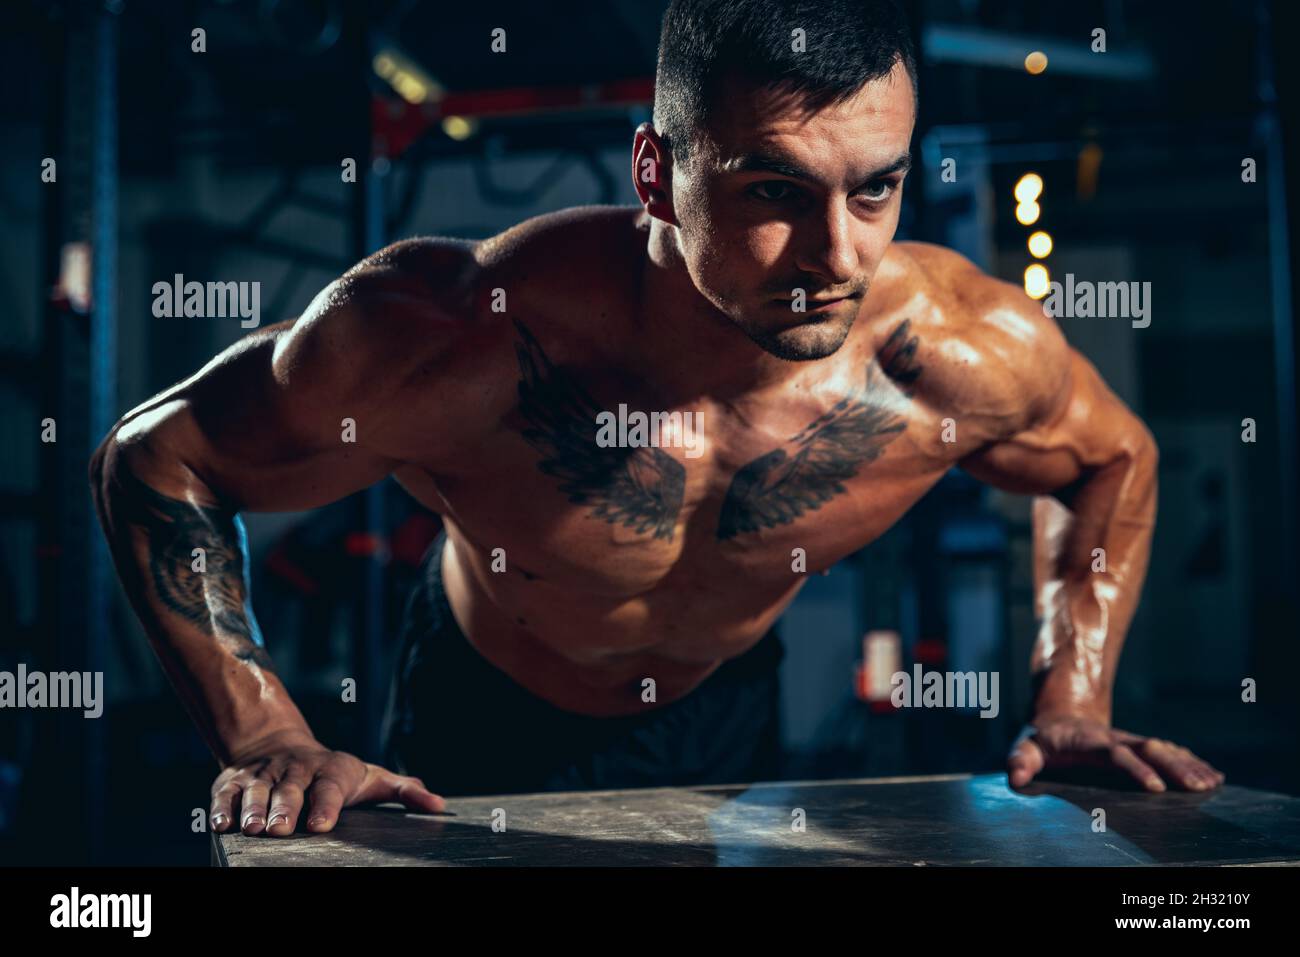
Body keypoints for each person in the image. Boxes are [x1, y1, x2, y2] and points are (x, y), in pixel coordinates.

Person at [90, 0, 1223, 839]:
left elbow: (1113, 458)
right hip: (484, 706)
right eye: (775, 191)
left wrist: (1073, 697)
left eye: (874, 188)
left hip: (729, 699)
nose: (839, 255)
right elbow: (162, 456)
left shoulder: (957, 354)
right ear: (654, 172)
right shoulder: (459, 338)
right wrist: (265, 734)